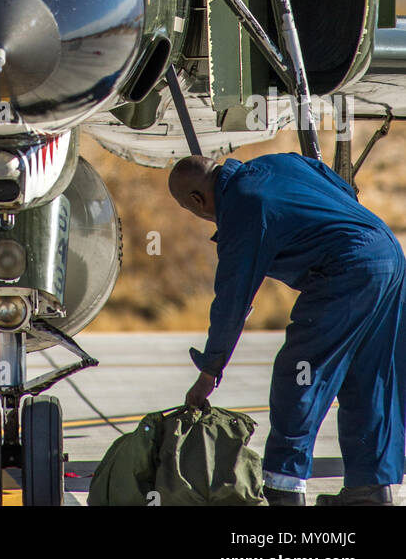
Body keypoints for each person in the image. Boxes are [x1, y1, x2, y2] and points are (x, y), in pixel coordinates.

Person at [169, 152, 406, 506]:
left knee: (299, 374)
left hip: (347, 270)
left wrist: (210, 369)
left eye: (194, 212)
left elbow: (233, 298)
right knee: (368, 375)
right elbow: (342, 188)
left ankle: (284, 485)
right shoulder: (283, 162)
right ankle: (370, 489)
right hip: (388, 254)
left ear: (195, 200)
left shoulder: (242, 206)